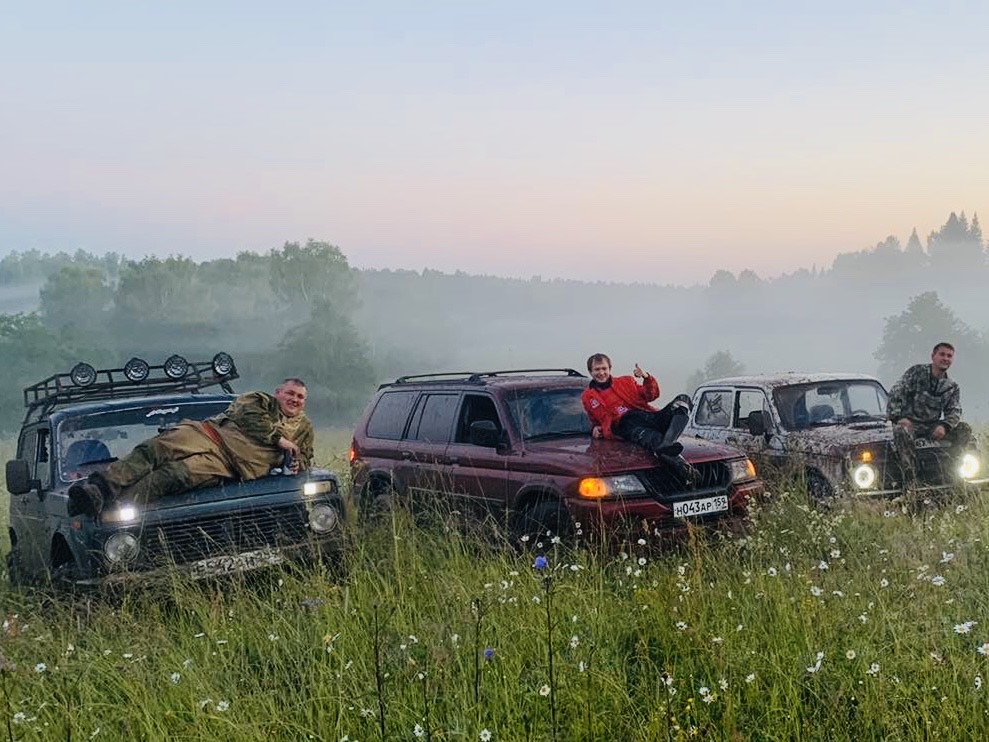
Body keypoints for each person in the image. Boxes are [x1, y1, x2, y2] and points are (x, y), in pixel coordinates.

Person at [67, 378, 315, 517]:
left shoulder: (304, 428)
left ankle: (112, 509)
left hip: (229, 465)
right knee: (155, 450)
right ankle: (98, 490)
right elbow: (248, 416)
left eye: (300, 397)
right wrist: (278, 439)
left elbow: (306, 458)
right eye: (290, 393)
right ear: (278, 392)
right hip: (208, 435)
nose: (294, 399)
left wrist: (295, 462)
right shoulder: (259, 400)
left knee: (172, 476)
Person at [580, 353, 696, 481]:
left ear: (609, 369)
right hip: (627, 427)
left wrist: (646, 378)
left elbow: (651, 395)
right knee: (655, 439)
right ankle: (690, 474)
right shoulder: (588, 397)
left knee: (683, 400)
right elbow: (594, 419)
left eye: (604, 368)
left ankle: (667, 444)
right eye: (597, 369)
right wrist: (594, 428)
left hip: (647, 416)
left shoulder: (626, 381)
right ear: (590, 372)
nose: (601, 373)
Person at [887, 342, 972, 485]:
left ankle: (953, 471)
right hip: (910, 425)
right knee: (901, 431)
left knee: (964, 429)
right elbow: (896, 392)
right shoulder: (916, 373)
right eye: (942, 354)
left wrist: (945, 426)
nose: (945, 358)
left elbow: (955, 411)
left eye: (949, 356)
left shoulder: (951, 386)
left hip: (933, 426)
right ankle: (911, 479)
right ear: (933, 356)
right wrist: (899, 417)